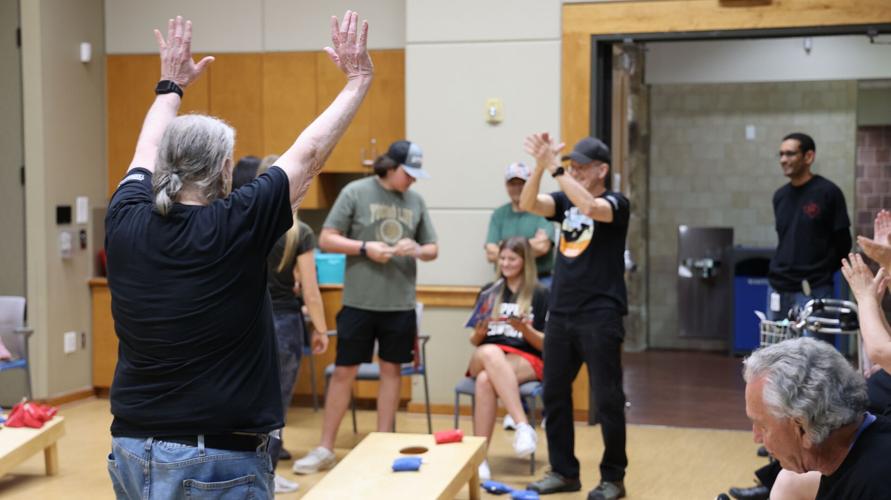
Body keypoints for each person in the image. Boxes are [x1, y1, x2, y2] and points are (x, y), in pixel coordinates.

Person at [104, 12, 373, 498]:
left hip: (130, 448)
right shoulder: (237, 224)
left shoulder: (124, 218)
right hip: (216, 457)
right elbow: (309, 153)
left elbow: (145, 146)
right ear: (226, 170)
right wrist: (357, 81)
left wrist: (171, 85)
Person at [293, 140, 438, 474]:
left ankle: (383, 443)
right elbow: (327, 238)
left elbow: (433, 249)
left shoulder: (416, 201)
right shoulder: (356, 192)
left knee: (392, 372)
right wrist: (364, 248)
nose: (413, 180)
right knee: (344, 371)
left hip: (400, 304)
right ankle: (325, 447)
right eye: (409, 173)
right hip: (359, 303)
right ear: (389, 166)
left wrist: (415, 248)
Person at [519, 133, 630, 500]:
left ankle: (613, 477)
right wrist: (539, 165)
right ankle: (565, 472)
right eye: (574, 165)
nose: (577, 171)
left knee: (608, 398)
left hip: (601, 314)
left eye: (583, 166)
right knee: (553, 394)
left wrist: (556, 166)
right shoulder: (564, 197)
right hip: (561, 314)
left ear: (602, 170)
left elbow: (591, 208)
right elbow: (528, 202)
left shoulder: (616, 202)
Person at [231, 154, 330, 494]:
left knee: (246, 401)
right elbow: (312, 292)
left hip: (244, 323)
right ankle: (267, 475)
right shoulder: (297, 231)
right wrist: (319, 328)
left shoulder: (241, 223)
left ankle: (242, 472)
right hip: (285, 323)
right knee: (275, 406)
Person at [744, 336, 891, 499]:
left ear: (802, 428)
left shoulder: (874, 485)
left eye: (762, 426)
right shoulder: (859, 445)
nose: (756, 438)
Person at [468, 236, 548, 481]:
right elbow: (475, 341)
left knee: (484, 381)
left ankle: (480, 460)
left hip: (525, 357)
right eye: (502, 258)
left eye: (512, 259)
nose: (505, 263)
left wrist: (525, 330)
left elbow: (545, 344)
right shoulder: (489, 292)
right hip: (487, 352)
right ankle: (523, 424)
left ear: (524, 261)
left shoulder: (540, 293)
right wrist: (479, 334)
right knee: (490, 352)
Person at [767, 133, 851, 328]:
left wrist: (820, 270)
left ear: (808, 157)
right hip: (779, 285)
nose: (783, 160)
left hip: (814, 288)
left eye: (790, 154)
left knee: (814, 354)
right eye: (780, 154)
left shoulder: (829, 192)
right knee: (776, 353)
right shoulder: (779, 196)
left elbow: (843, 242)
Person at [485, 162, 556, 286]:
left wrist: (504, 248)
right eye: (512, 184)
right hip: (506, 281)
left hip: (539, 280)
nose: (517, 188)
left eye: (521, 183)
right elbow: (490, 253)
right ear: (506, 185)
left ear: (529, 185)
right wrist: (528, 246)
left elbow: (542, 246)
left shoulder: (543, 211)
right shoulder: (499, 214)